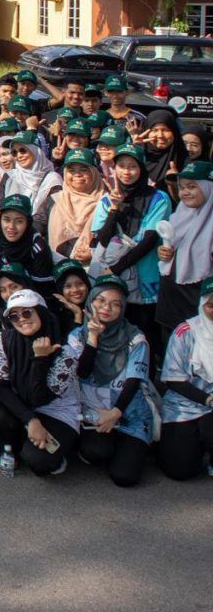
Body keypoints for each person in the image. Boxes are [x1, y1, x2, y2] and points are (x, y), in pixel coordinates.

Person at [0, 289, 81, 477]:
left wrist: (40, 359)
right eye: (14, 315)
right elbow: (0, 386)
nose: (21, 319)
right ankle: (10, 447)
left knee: (39, 463)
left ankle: (51, 452)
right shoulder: (5, 340)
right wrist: (30, 419)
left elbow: (39, 398)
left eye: (27, 312)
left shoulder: (65, 350)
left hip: (57, 412)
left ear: (41, 312)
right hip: (24, 406)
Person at [90, 144, 171, 359]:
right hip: (113, 282)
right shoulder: (107, 199)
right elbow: (102, 240)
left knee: (145, 336)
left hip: (145, 281)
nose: (126, 172)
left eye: (132, 166)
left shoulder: (159, 198)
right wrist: (114, 210)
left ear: (142, 169)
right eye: (121, 166)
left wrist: (115, 269)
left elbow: (149, 241)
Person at [71, 277, 155, 487]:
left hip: (128, 413)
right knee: (96, 452)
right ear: (91, 302)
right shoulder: (76, 336)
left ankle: (133, 447)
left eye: (115, 303)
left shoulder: (136, 338)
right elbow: (82, 372)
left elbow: (134, 379)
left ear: (123, 308)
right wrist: (93, 337)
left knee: (124, 477)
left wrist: (115, 413)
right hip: (95, 413)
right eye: (100, 300)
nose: (106, 308)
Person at [158, 278, 213, 480]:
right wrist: (207, 399)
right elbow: (173, 379)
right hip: (184, 405)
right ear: (202, 305)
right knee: (180, 471)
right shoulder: (185, 332)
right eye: (210, 305)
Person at [154, 160, 213, 335]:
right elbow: (170, 250)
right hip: (171, 301)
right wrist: (162, 252)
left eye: (192, 186)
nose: (185, 192)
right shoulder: (177, 217)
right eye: (182, 187)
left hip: (199, 303)